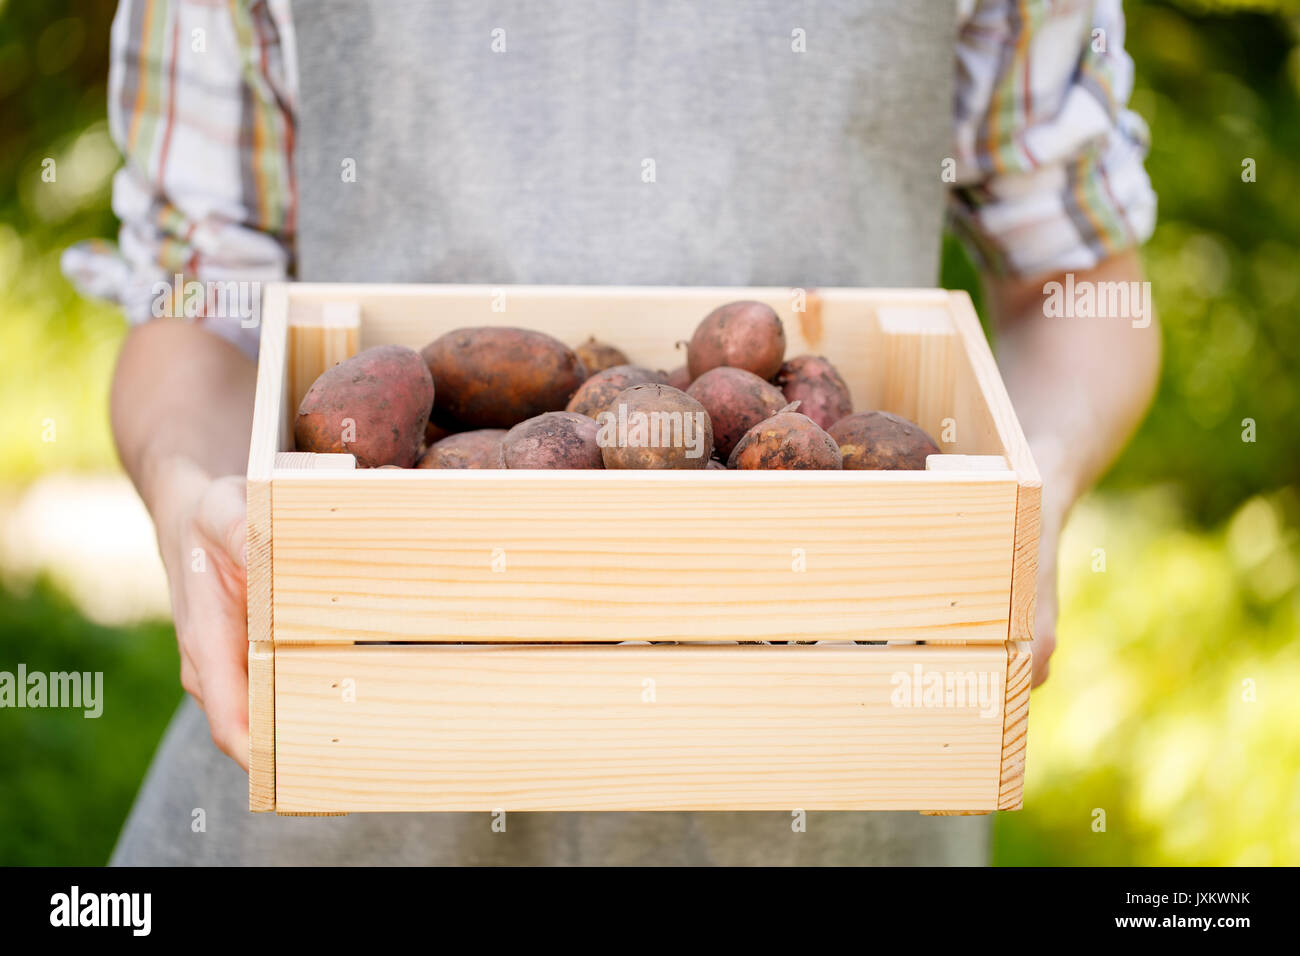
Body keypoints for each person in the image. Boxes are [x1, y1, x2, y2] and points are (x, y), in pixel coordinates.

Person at [65, 0, 1160, 865]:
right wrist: (186, 496)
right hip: (335, 792)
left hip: (831, 787)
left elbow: (1079, 281)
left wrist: (1032, 493)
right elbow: (193, 314)